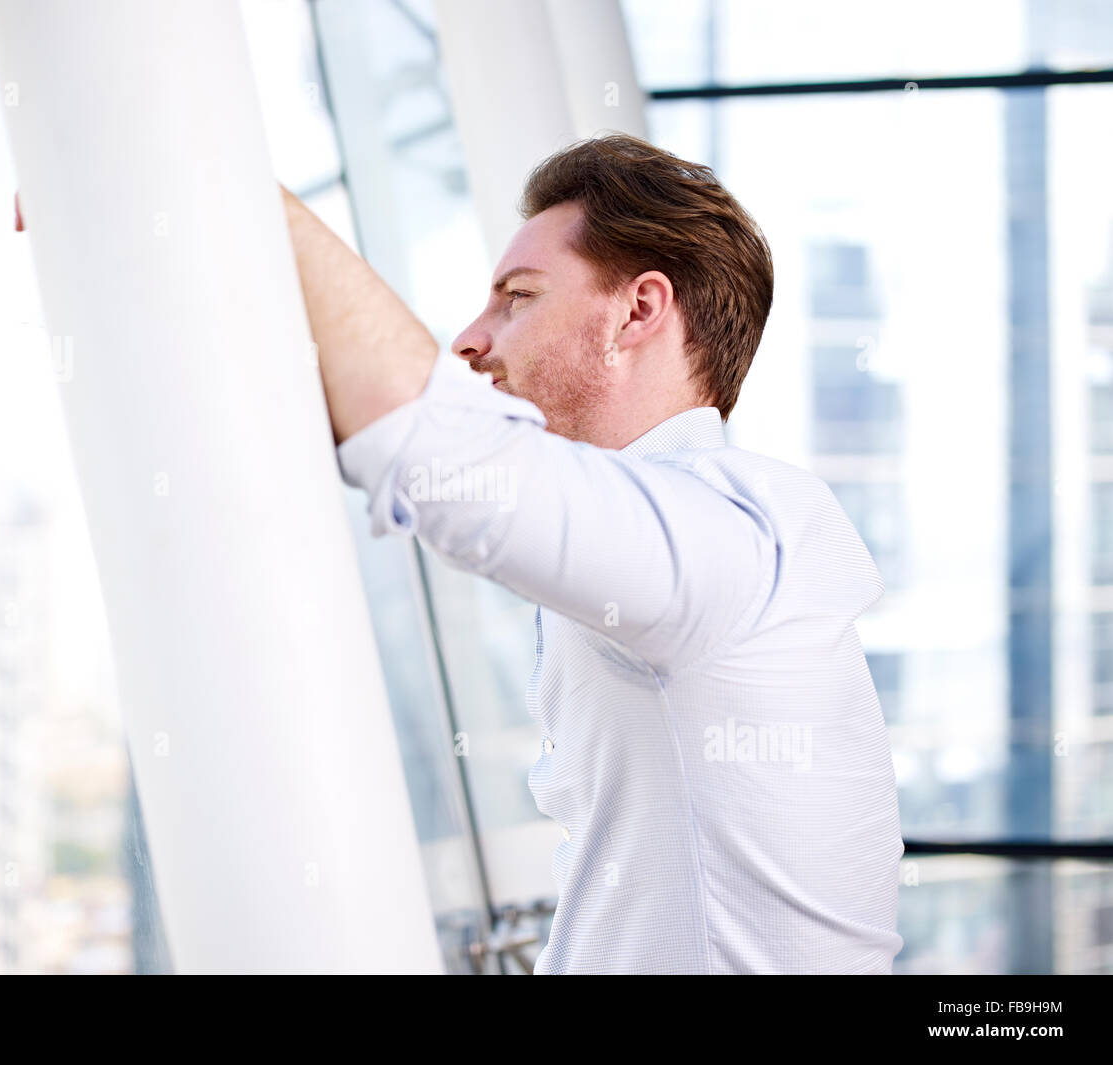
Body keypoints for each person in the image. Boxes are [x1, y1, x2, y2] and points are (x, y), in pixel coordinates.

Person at [282, 132, 903, 975]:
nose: (469, 339)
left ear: (638, 311)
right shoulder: (690, 531)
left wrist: (223, 180)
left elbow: (445, 460)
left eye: (517, 298)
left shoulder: (733, 532)